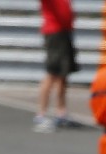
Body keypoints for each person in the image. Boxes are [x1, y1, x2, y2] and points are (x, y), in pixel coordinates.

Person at [34, 0, 79, 133]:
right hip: (54, 32)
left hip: (65, 32)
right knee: (52, 73)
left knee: (63, 74)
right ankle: (41, 114)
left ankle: (61, 112)